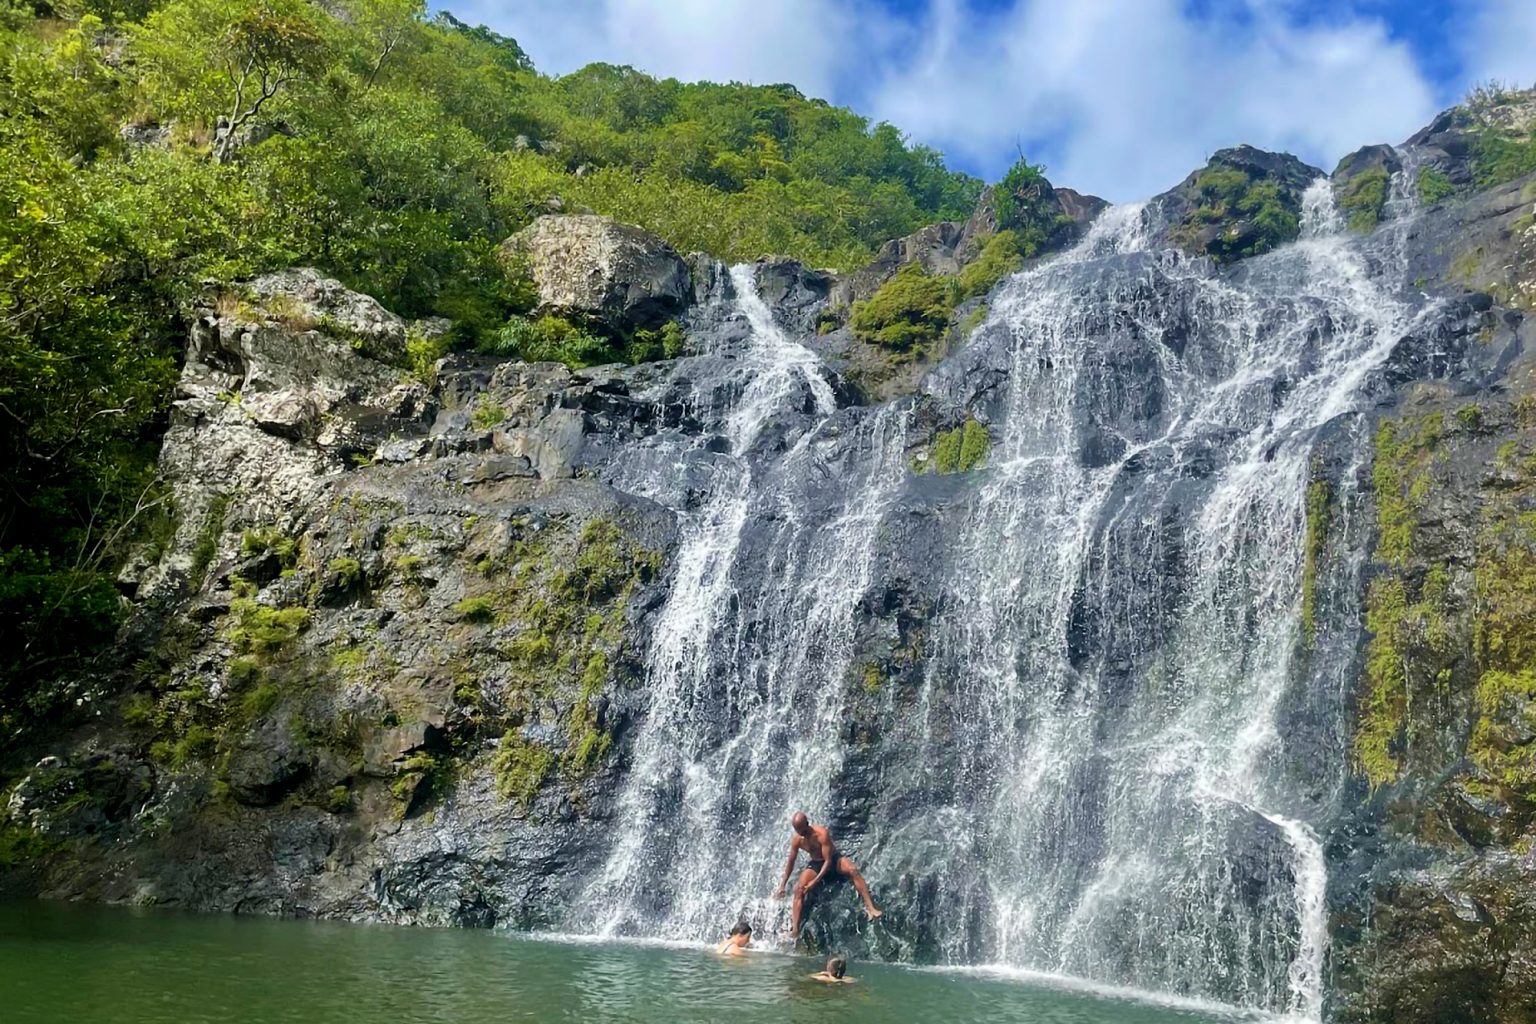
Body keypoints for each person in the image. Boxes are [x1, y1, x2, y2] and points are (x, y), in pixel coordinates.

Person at [772, 811, 882, 938]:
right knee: (799, 889)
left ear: (807, 824)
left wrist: (815, 881)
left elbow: (828, 861)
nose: (802, 834)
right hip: (816, 864)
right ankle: (795, 930)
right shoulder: (797, 840)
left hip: (833, 860)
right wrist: (782, 885)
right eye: (798, 831)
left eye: (803, 830)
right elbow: (791, 862)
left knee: (853, 870)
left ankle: (870, 907)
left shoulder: (821, 834)